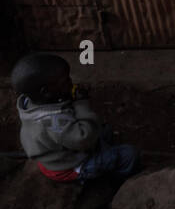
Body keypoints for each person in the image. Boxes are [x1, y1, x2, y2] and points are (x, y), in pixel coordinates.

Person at [12, 52, 139, 182]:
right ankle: (114, 181)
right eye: (65, 81)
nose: (71, 82)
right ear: (46, 92)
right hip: (70, 166)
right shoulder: (53, 122)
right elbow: (83, 139)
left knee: (104, 130)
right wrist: (81, 104)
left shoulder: (32, 102)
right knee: (129, 154)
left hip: (57, 154)